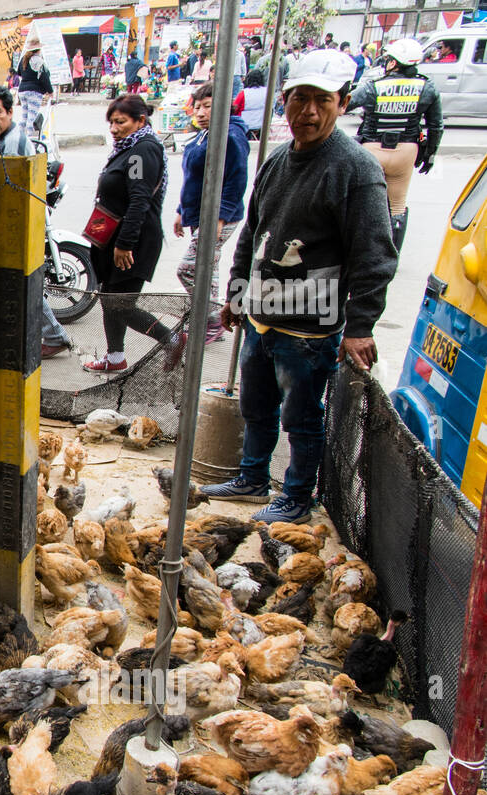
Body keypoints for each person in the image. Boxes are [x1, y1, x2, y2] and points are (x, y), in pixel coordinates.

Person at [202, 49, 397, 524]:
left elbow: (375, 256)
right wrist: (237, 291)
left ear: (343, 103)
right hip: (263, 317)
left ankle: (296, 496)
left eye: (321, 101)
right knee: (257, 405)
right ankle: (252, 477)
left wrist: (360, 325)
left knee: (303, 419)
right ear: (284, 101)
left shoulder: (354, 169)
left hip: (310, 328)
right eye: (299, 99)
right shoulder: (275, 160)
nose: (307, 112)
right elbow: (253, 232)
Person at [0, 86, 73, 360]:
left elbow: (14, 191)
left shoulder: (14, 142)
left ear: (10, 112)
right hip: (0, 224)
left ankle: (54, 335)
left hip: (13, 227)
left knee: (17, 283)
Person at [81, 95, 184, 374]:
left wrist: (125, 244)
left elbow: (140, 200)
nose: (114, 128)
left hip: (133, 242)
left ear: (141, 120)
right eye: (111, 122)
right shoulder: (129, 148)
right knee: (109, 298)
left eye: (121, 122)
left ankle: (171, 338)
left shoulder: (141, 150)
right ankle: (115, 358)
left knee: (120, 305)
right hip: (114, 238)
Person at [348, 38, 442, 253]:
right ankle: (389, 254)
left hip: (371, 150)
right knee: (397, 206)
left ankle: (360, 249)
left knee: (363, 201)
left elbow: (346, 103)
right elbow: (436, 126)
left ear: (393, 63)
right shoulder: (426, 87)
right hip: (405, 152)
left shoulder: (376, 86)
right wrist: (430, 154)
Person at [174, 82, 249, 344]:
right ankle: (211, 320)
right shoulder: (203, 135)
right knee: (209, 269)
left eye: (207, 106)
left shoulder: (230, 135)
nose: (201, 112)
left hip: (217, 216)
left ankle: (213, 318)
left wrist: (220, 217)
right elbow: (192, 179)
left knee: (189, 269)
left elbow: (236, 180)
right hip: (200, 216)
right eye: (197, 106)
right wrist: (181, 211)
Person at [16, 38, 53, 139]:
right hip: (34, 92)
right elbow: (44, 77)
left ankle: (19, 138)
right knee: (32, 118)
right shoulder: (39, 61)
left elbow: (18, 72)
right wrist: (50, 91)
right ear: (39, 49)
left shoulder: (24, 59)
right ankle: (31, 141)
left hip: (22, 90)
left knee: (24, 117)